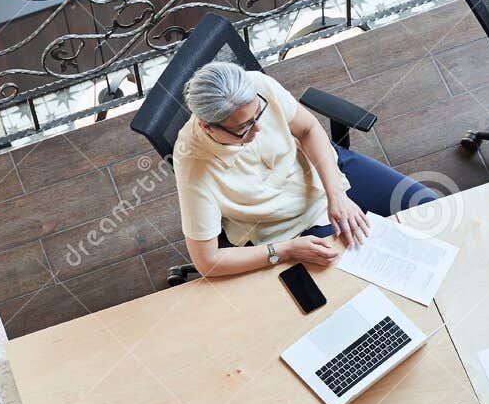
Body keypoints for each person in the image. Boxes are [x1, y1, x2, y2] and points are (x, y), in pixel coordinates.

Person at [172, 62, 443, 278]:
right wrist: (285, 251)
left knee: (429, 206)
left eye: (259, 115)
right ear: (208, 126)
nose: (259, 129)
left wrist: (336, 194)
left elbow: (308, 129)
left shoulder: (257, 85)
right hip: (285, 226)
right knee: (357, 275)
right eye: (244, 127)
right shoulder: (193, 165)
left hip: (325, 173)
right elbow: (207, 261)